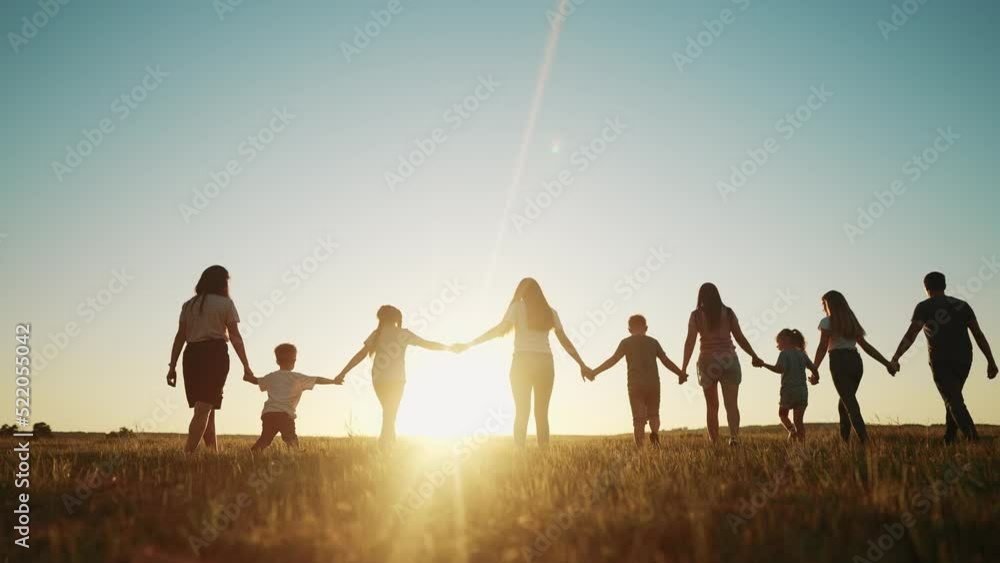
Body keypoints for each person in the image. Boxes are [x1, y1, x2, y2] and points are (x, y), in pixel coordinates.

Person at [457, 277, 588, 449]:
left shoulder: (517, 307)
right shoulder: (550, 312)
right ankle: (544, 455)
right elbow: (565, 341)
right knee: (542, 414)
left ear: (520, 292)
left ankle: (520, 453)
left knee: (522, 412)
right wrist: (581, 364)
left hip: (522, 362)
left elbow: (499, 331)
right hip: (544, 363)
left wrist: (470, 344)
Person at [889, 272, 998, 443]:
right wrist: (991, 361)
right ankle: (950, 438)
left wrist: (896, 357)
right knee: (953, 396)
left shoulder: (924, 307)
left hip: (941, 362)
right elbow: (978, 334)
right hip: (964, 360)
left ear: (926, 288)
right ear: (944, 285)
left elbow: (911, 335)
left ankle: (974, 440)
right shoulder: (963, 305)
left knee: (953, 399)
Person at [333, 305, 451, 449]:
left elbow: (360, 355)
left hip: (379, 380)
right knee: (390, 414)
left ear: (381, 318)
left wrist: (343, 372)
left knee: (389, 414)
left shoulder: (376, 334)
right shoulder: (403, 333)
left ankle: (388, 449)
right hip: (396, 380)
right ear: (396, 318)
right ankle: (383, 448)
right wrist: (450, 348)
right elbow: (427, 344)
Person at [167, 265, 253, 453]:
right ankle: (187, 454)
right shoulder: (225, 304)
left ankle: (213, 453)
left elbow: (180, 336)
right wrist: (246, 366)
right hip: (214, 354)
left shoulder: (189, 304)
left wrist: (172, 366)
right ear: (223, 282)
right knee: (204, 409)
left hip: (191, 356)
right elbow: (235, 336)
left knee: (206, 407)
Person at [584, 314, 687, 449]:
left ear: (629, 329)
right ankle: (654, 434)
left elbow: (612, 360)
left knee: (638, 420)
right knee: (654, 414)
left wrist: (594, 372)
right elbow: (666, 361)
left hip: (635, 385)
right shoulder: (653, 342)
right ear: (646, 328)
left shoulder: (626, 343)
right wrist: (680, 373)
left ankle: (641, 449)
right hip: (653, 384)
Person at [681, 283, 762, 446]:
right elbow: (739, 337)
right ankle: (734, 438)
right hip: (729, 360)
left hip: (707, 361)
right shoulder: (729, 313)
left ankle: (714, 442)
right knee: (731, 404)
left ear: (700, 296)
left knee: (712, 406)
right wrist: (754, 355)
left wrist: (683, 368)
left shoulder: (696, 315)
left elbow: (690, 342)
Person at [811, 290, 895, 444]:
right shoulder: (851, 322)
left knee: (849, 403)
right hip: (856, 362)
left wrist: (814, 369)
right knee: (844, 403)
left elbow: (822, 347)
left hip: (838, 361)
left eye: (823, 304)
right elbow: (866, 347)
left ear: (829, 304)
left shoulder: (827, 322)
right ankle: (845, 443)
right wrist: (887, 363)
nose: (823, 308)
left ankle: (866, 441)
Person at [245, 343, 338, 450]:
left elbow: (256, 381)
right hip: (285, 415)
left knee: (265, 439)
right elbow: (317, 380)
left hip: (268, 414)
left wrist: (248, 377)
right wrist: (333, 381)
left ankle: (253, 453)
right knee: (291, 440)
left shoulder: (271, 376)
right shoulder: (297, 378)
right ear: (294, 361)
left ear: (277, 361)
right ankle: (296, 454)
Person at [754, 329, 819, 442]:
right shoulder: (802, 354)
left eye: (778, 342)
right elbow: (813, 368)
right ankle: (802, 445)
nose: (777, 346)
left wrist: (763, 364)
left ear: (785, 340)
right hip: (802, 392)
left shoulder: (784, 354)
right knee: (799, 421)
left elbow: (779, 369)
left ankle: (791, 431)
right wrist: (815, 378)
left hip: (788, 391)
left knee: (782, 414)